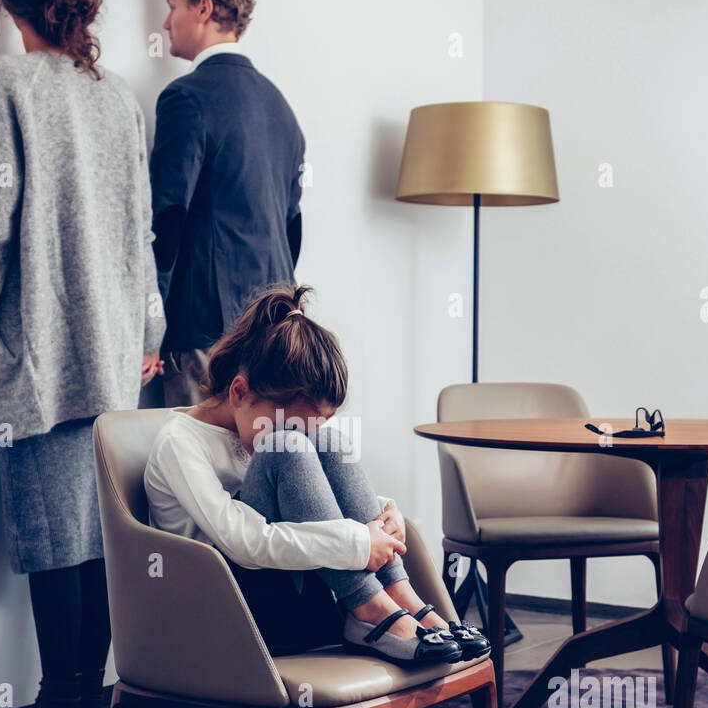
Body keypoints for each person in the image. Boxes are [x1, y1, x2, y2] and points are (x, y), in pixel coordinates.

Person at [0, 0, 165, 708]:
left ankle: (59, 705)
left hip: (35, 349)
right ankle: (89, 705)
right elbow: (141, 230)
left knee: (50, 535)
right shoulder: (118, 97)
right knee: (98, 533)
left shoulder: (6, 84)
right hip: (111, 351)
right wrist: (150, 329)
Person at [144, 284, 490, 666]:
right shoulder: (181, 442)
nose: (298, 437)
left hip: (298, 598)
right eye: (290, 426)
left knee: (329, 442)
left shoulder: (267, 429)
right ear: (239, 392)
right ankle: (370, 609)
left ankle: (399, 597)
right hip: (227, 616)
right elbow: (243, 543)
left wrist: (381, 514)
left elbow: (302, 494)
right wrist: (360, 540)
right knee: (285, 451)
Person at [148, 0, 306, 406]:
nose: (165, 21)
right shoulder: (281, 107)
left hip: (204, 333)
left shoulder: (185, 98)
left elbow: (166, 221)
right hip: (274, 333)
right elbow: (291, 229)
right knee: (259, 467)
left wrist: (150, 329)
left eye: (173, 5)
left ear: (204, 9)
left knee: (193, 471)